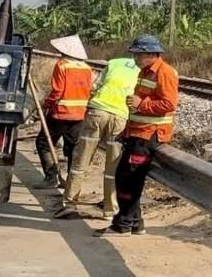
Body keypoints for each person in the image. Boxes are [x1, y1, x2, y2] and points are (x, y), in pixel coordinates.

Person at [96, 35, 178, 236]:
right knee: (127, 178)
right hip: (137, 133)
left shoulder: (164, 73)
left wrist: (142, 105)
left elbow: (169, 105)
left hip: (149, 136)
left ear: (151, 53)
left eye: (138, 55)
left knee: (128, 179)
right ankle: (134, 222)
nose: (135, 59)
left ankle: (123, 224)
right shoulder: (145, 72)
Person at [54, 53, 140, 220]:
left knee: (81, 160)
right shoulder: (142, 70)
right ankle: (110, 210)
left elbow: (95, 87)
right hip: (120, 117)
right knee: (113, 166)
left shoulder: (114, 62)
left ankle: (69, 204)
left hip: (97, 112)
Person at [35, 35, 94, 189]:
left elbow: (57, 91)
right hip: (80, 114)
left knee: (44, 142)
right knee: (73, 147)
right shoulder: (87, 68)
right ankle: (71, 182)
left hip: (61, 113)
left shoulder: (62, 66)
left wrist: (46, 103)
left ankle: (51, 177)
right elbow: (90, 90)